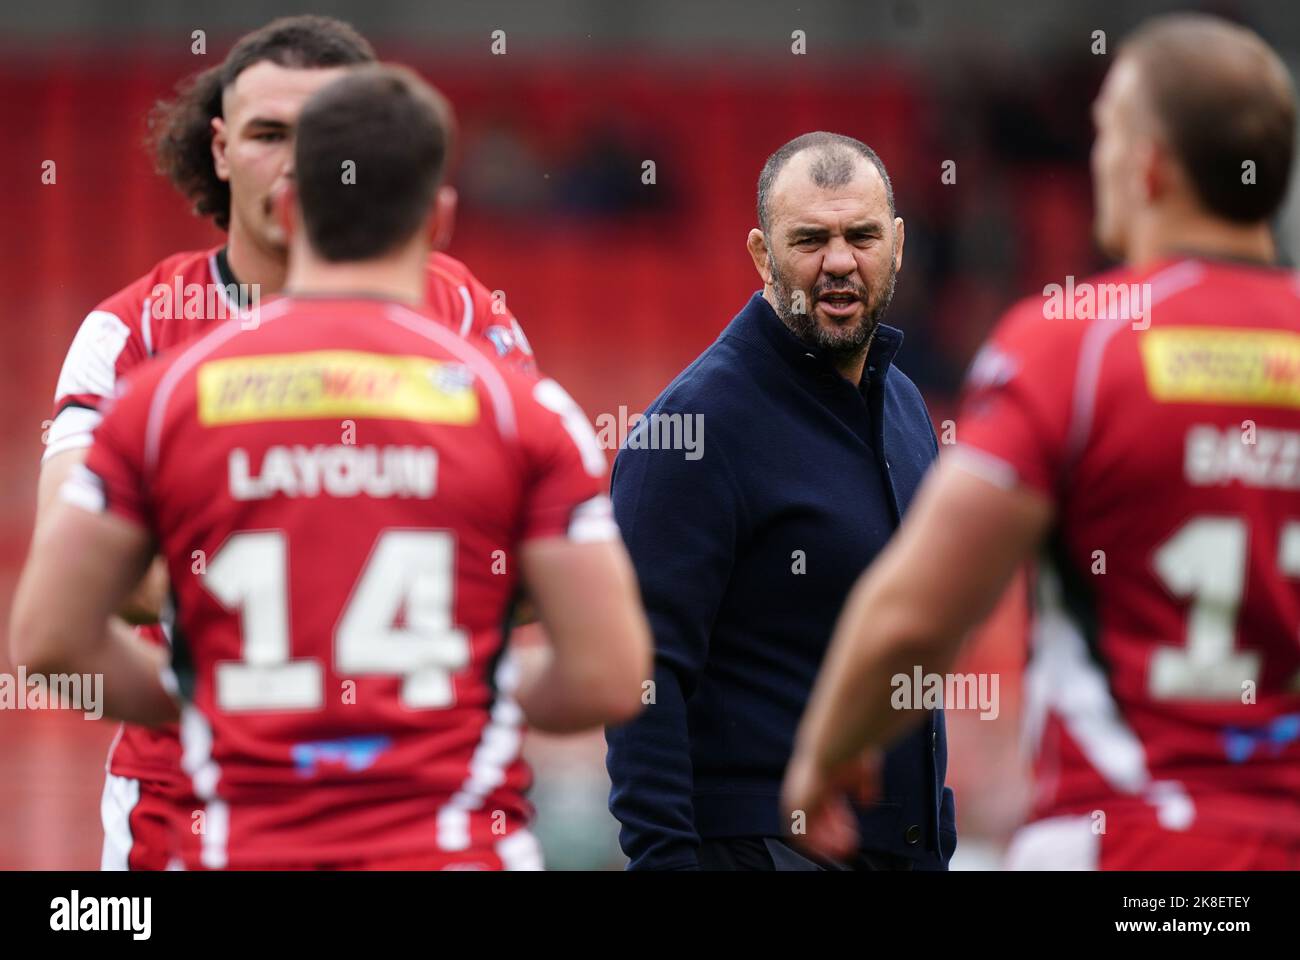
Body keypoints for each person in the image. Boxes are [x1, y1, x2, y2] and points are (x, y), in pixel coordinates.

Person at [10, 62, 652, 871]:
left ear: (288, 203)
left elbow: (50, 638)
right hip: (443, 845)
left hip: (225, 838)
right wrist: (445, 689)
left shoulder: (164, 398)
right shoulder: (519, 408)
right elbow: (608, 672)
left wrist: (236, 691)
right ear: (442, 215)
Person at [782, 13, 1300, 870]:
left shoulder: (1076, 345)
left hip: (1126, 848)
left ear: (1149, 166)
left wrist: (825, 754)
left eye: (1104, 135)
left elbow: (918, 615)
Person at [605, 131, 955, 870]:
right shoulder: (691, 430)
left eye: (861, 236)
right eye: (810, 240)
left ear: (896, 244)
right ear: (762, 255)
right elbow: (641, 678)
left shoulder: (904, 405)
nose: (838, 262)